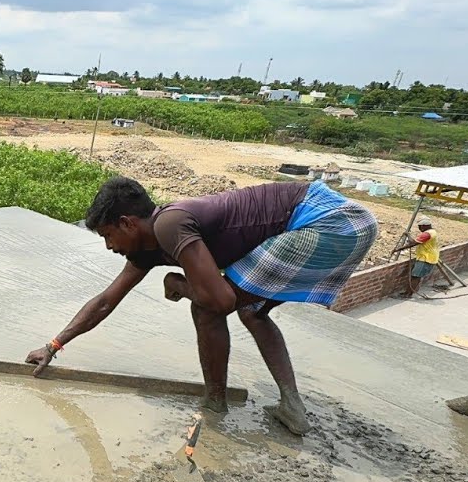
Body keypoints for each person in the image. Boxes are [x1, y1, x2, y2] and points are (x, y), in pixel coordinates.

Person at [24, 176, 377, 435]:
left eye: (107, 236)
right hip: (346, 223)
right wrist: (54, 345)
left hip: (330, 221)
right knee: (251, 310)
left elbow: (220, 300)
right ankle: (291, 406)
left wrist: (179, 283)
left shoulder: (170, 223)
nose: (108, 246)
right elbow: (105, 302)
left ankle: (215, 402)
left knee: (207, 306)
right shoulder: (145, 247)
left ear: (127, 224)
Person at [394, 216, 439, 297]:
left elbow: (412, 243)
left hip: (426, 258)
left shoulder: (426, 234)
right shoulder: (433, 232)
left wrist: (406, 237)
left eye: (419, 227)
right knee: (415, 276)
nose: (419, 229)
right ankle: (408, 292)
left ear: (423, 226)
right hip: (428, 257)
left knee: (415, 276)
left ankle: (408, 294)